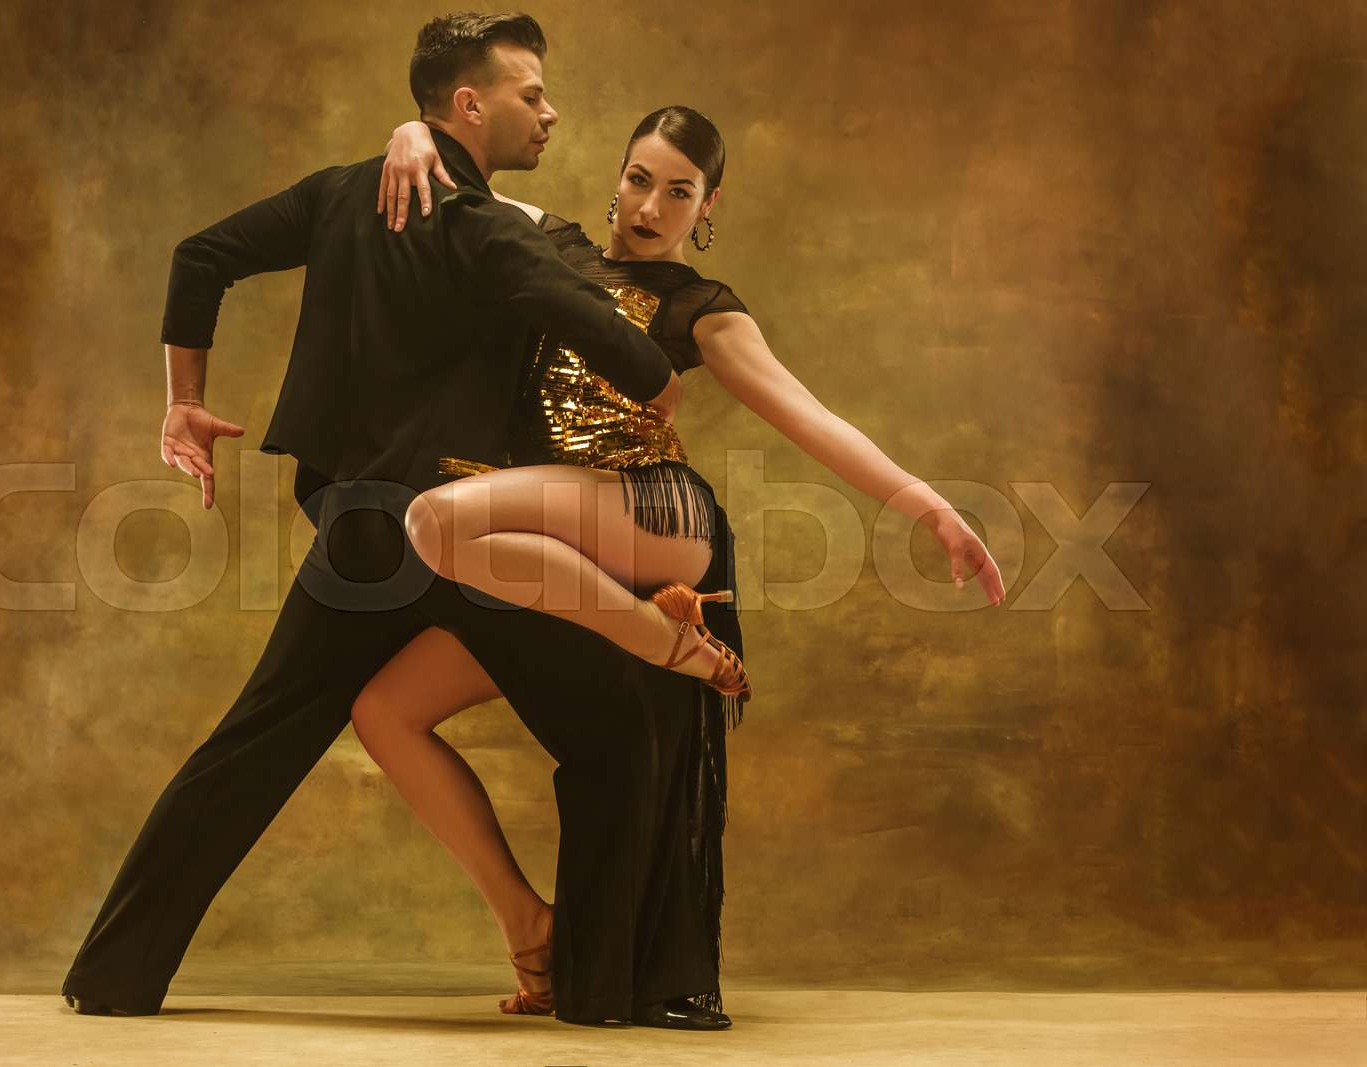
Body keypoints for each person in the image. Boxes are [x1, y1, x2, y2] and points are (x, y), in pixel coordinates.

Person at [60, 12, 739, 1031]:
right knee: (608, 738)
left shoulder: (345, 195)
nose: (549, 111)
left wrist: (181, 399)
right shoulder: (494, 233)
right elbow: (638, 363)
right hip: (469, 532)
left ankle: (112, 974)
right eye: (530, 95)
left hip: (363, 534)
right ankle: (591, 982)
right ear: (469, 104)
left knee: (258, 740)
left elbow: (200, 256)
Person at [344, 104, 1008, 1017]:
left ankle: (670, 642)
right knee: (384, 711)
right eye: (639, 179)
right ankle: (528, 928)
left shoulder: (704, 307)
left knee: (436, 520)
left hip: (653, 515)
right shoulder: (550, 245)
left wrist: (928, 505)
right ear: (616, 177)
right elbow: (453, 182)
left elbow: (810, 416)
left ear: (708, 206)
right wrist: (410, 133)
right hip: (557, 538)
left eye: (679, 191)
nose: (650, 205)